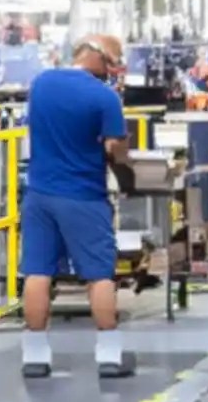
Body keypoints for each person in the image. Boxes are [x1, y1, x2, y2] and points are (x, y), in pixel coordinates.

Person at [21, 34, 134, 379]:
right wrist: (115, 155)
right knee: (99, 275)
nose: (113, 72)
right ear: (96, 56)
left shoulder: (40, 84)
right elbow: (118, 150)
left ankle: (35, 357)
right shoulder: (104, 97)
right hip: (83, 197)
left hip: (39, 195)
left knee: (38, 272)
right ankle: (109, 356)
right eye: (112, 63)